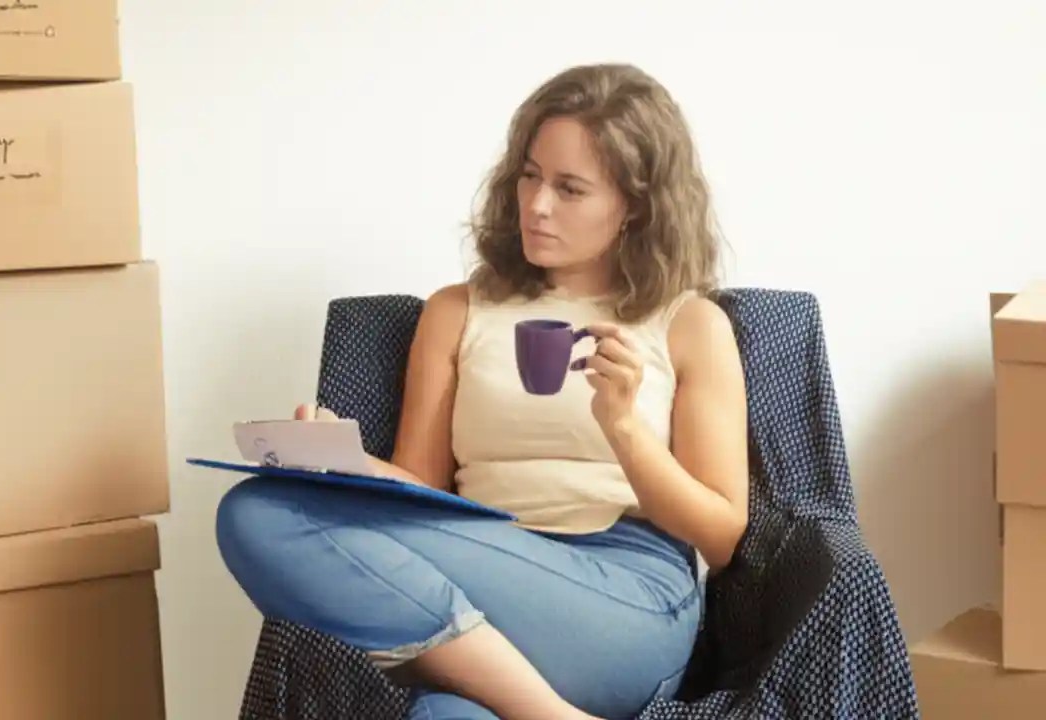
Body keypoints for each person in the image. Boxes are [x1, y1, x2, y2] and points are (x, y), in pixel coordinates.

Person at [215, 63, 749, 720]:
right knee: (256, 514)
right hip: (478, 582)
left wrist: (625, 430)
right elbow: (421, 490)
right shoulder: (456, 311)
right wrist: (342, 463)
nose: (537, 204)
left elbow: (723, 539)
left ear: (635, 206)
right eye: (529, 176)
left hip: (625, 601)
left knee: (266, 516)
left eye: (570, 188)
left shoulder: (690, 324)